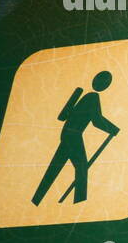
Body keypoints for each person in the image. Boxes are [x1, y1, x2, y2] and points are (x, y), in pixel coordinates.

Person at [31, 70, 119, 205]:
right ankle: (80, 202)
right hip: (74, 135)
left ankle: (36, 200)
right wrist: (113, 129)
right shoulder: (92, 97)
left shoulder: (83, 96)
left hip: (67, 133)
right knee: (81, 167)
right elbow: (96, 120)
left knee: (55, 167)